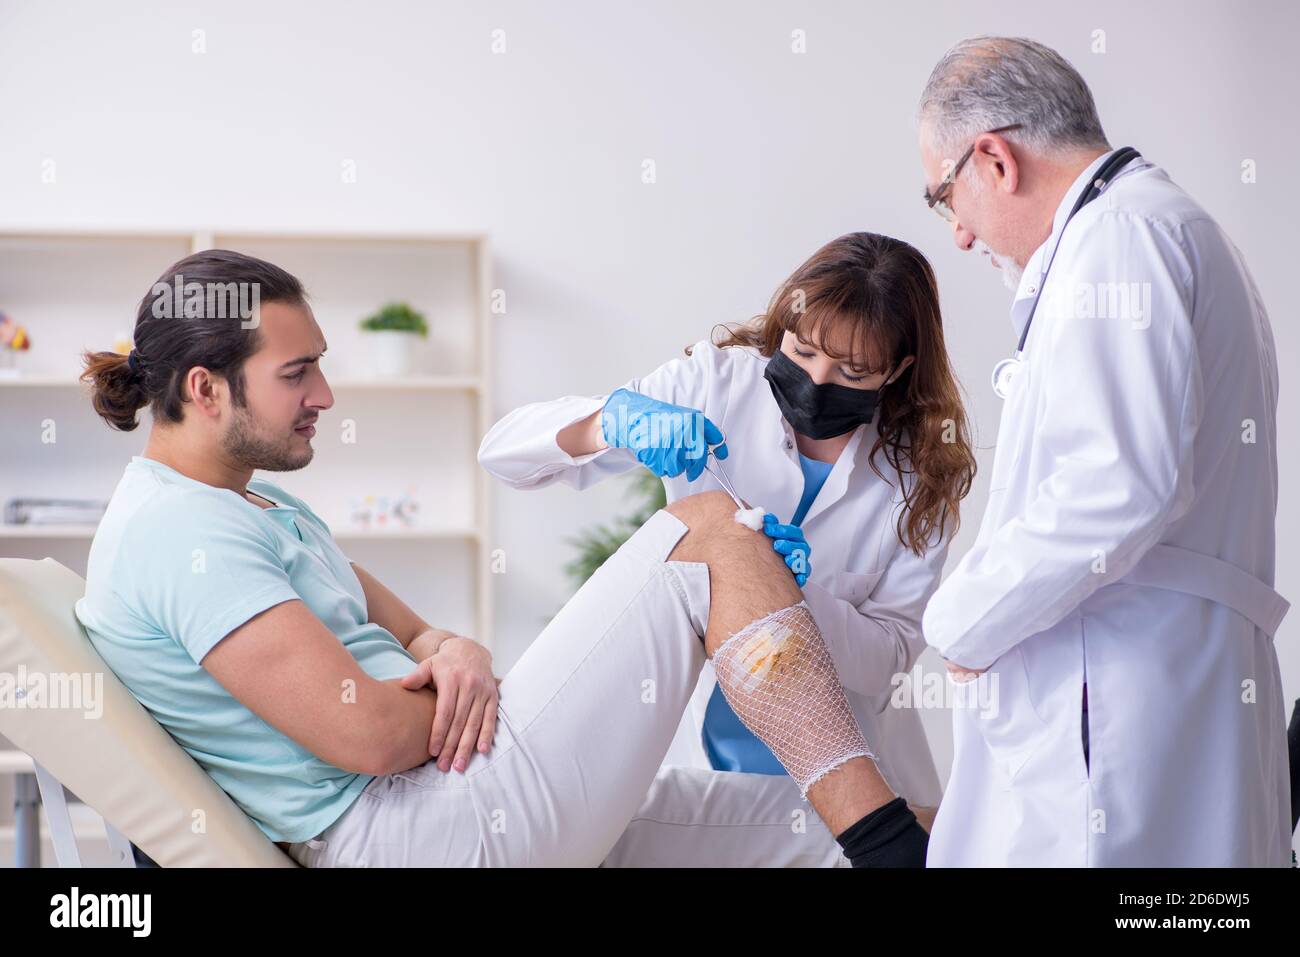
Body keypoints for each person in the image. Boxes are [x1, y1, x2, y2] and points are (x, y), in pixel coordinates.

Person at [74, 249, 932, 867]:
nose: (325, 396)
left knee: (888, 828)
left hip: (455, 789)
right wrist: (469, 690)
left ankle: (892, 838)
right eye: (298, 373)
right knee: (707, 530)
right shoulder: (182, 535)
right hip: (423, 827)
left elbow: (416, 631)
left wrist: (460, 657)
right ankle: (885, 848)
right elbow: (370, 735)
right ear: (204, 387)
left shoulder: (255, 503)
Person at [916, 36, 1290, 866]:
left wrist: (960, 621)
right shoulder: (1171, 230)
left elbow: (1114, 486)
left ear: (993, 159)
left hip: (1119, 698)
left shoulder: (1120, 240)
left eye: (946, 198)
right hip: (1160, 684)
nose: (962, 238)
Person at [478, 232, 974, 815]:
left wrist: (789, 590)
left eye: (852, 370)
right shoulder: (716, 385)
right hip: (700, 752)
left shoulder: (920, 471)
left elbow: (888, 656)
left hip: (846, 769)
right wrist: (609, 422)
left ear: (899, 368)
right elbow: (502, 455)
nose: (816, 381)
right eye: (804, 351)